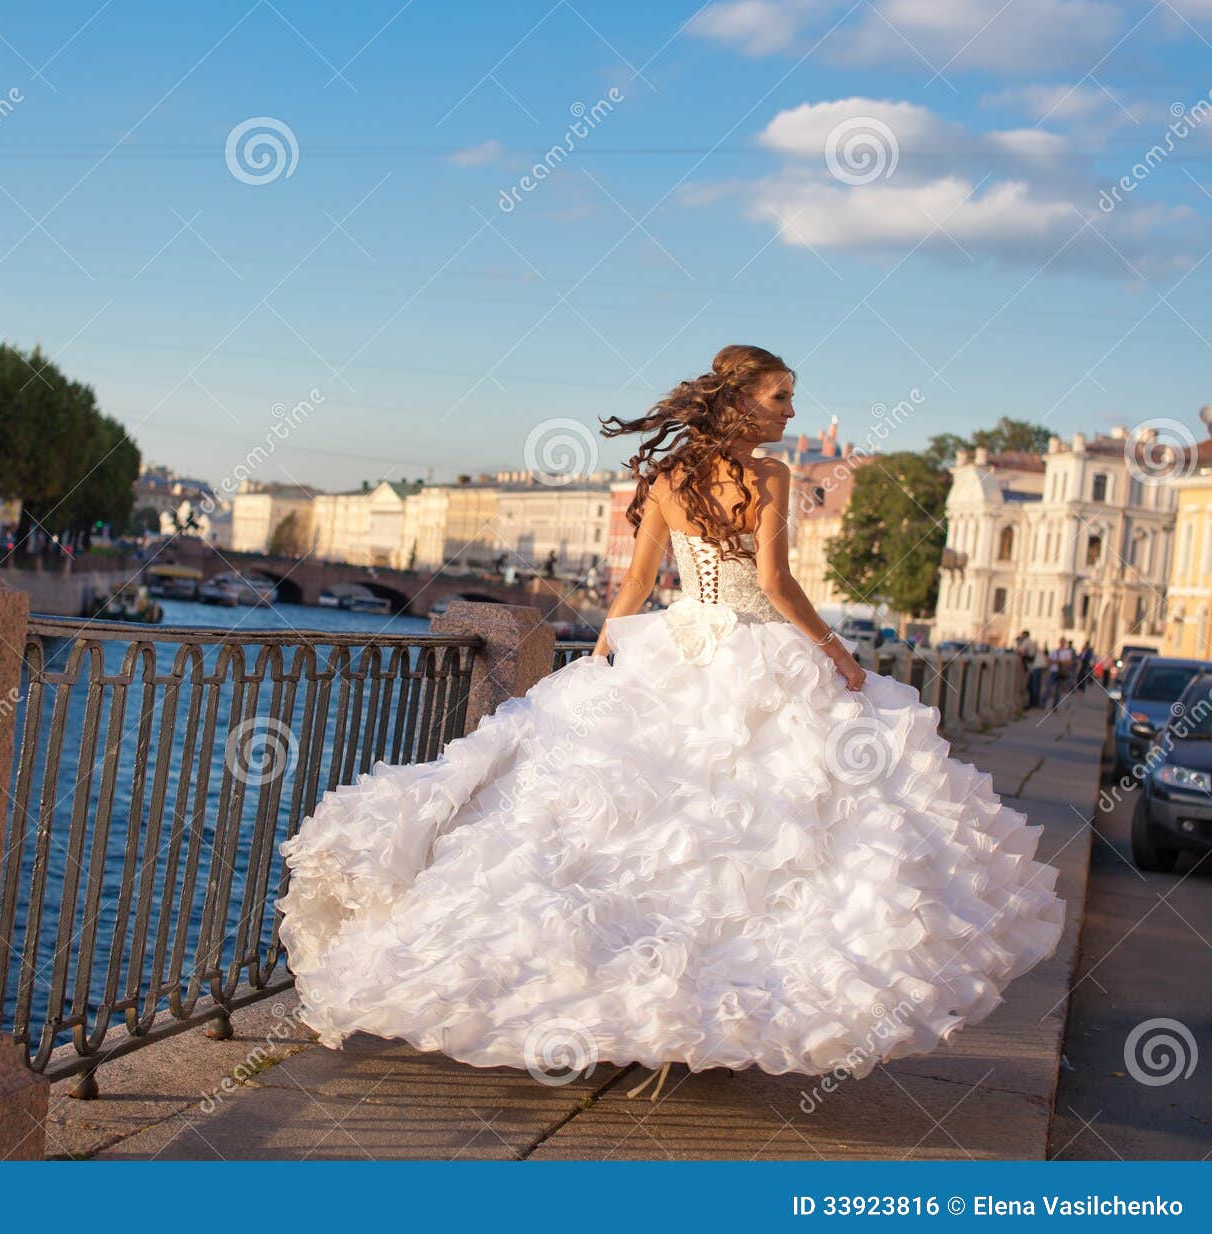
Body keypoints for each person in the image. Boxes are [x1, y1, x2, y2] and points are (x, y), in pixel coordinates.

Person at [274, 345, 1067, 1099]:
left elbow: (638, 583)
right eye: (780, 395)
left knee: (630, 830)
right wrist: (835, 651)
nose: (792, 411)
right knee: (758, 835)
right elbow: (778, 584)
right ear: (739, 402)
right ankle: (706, 1014)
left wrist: (608, 650)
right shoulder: (770, 477)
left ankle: (605, 997)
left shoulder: (667, 479)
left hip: (680, 649)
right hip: (759, 652)